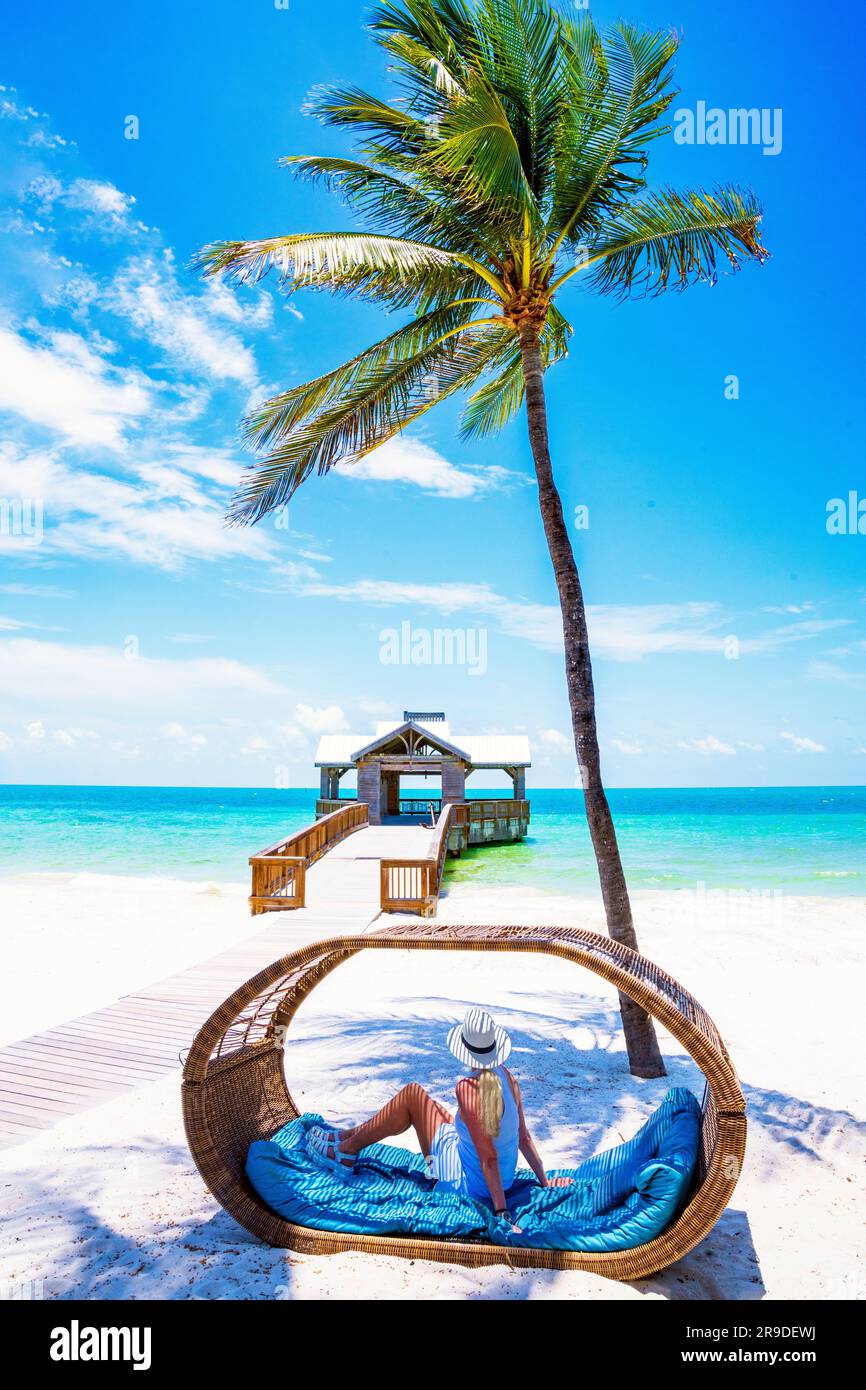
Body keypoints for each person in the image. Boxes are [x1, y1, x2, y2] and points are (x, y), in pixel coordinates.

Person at [305, 1007, 572, 1228]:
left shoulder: (468, 1089)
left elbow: (487, 1157)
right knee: (434, 1112)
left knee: (412, 1095)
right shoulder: (508, 1077)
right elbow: (523, 1138)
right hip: (501, 1178)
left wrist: (501, 1212)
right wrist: (545, 1182)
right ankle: (343, 1138)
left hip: (469, 1184)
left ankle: (345, 1150)